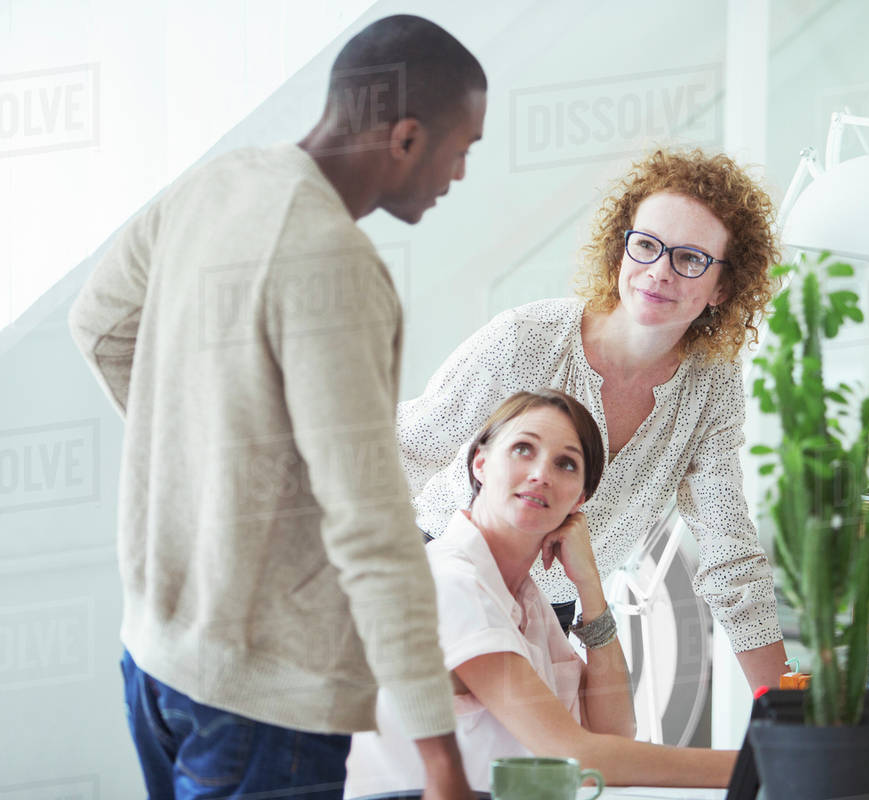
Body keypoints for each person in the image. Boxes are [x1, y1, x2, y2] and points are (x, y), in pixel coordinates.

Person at [68, 15, 485, 800]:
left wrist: (208, 460)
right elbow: (370, 524)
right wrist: (442, 760)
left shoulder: (217, 183)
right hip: (264, 705)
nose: (459, 174)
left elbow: (98, 325)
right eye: (462, 149)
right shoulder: (336, 263)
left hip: (153, 664)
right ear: (405, 138)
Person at [398, 148, 789, 689]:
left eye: (690, 258)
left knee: (554, 744)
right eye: (646, 245)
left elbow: (730, 553)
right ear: (621, 248)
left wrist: (782, 702)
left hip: (550, 615)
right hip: (438, 585)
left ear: (723, 287)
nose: (659, 272)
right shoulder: (527, 338)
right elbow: (404, 449)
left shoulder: (712, 386)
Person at [347, 390, 738, 795]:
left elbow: (612, 733)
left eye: (565, 463)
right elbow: (577, 757)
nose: (540, 474)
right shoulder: (449, 582)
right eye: (523, 449)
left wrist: (590, 586)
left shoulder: (527, 602)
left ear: (580, 499)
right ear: (480, 463)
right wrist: (756, 762)